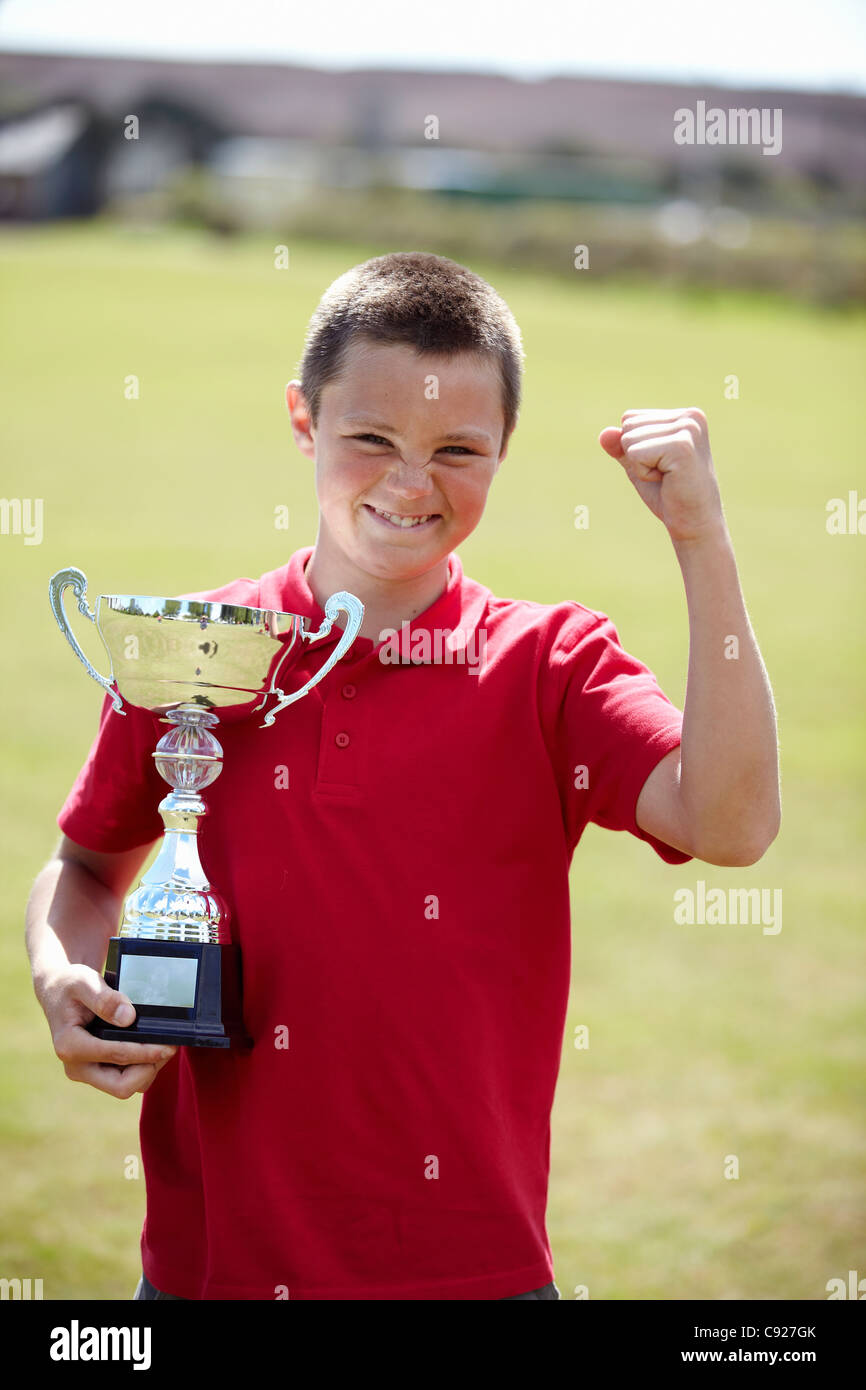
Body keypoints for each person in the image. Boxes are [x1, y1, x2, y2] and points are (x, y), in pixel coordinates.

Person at [25, 251, 780, 1301]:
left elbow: (731, 824)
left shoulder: (551, 665)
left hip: (476, 1273)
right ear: (302, 418)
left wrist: (699, 537)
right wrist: (60, 973)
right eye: (369, 438)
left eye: (456, 449)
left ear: (504, 450)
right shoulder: (194, 651)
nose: (409, 481)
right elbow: (86, 864)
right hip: (211, 1275)